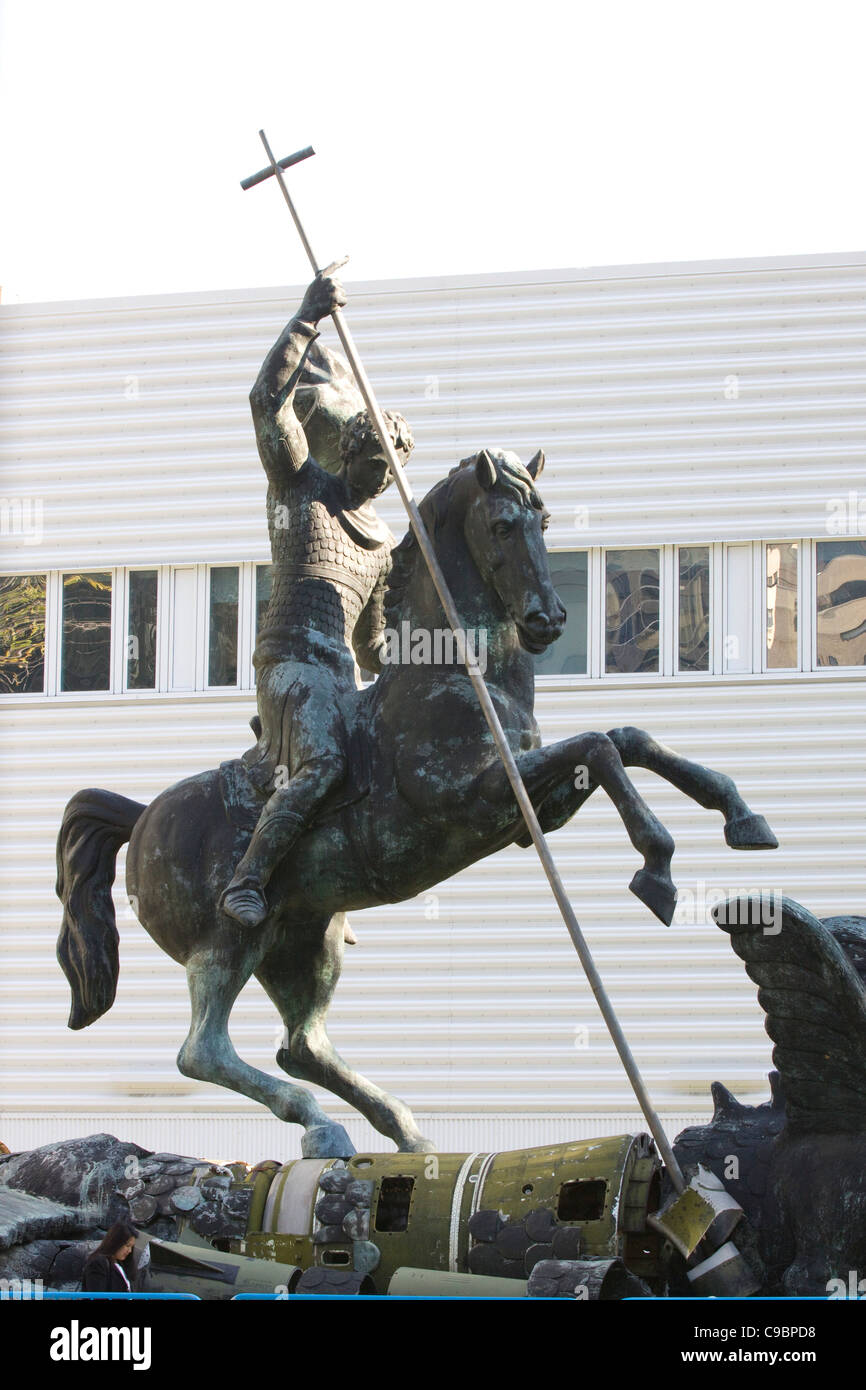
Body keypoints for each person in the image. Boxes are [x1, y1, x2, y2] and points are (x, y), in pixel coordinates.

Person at [220, 272, 414, 929]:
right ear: (352, 448)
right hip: (288, 667)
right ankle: (247, 880)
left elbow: (373, 647)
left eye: (391, 470)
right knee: (328, 759)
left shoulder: (383, 543)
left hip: (339, 676)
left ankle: (327, 872)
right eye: (372, 461)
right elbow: (262, 403)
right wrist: (307, 318)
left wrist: (438, 655)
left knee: (393, 762)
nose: (381, 477)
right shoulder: (300, 484)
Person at [80, 1221, 139, 1292]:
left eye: (131, 1247)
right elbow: (97, 1295)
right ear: (116, 1242)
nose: (129, 1251)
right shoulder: (98, 1263)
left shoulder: (121, 1264)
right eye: (127, 1246)